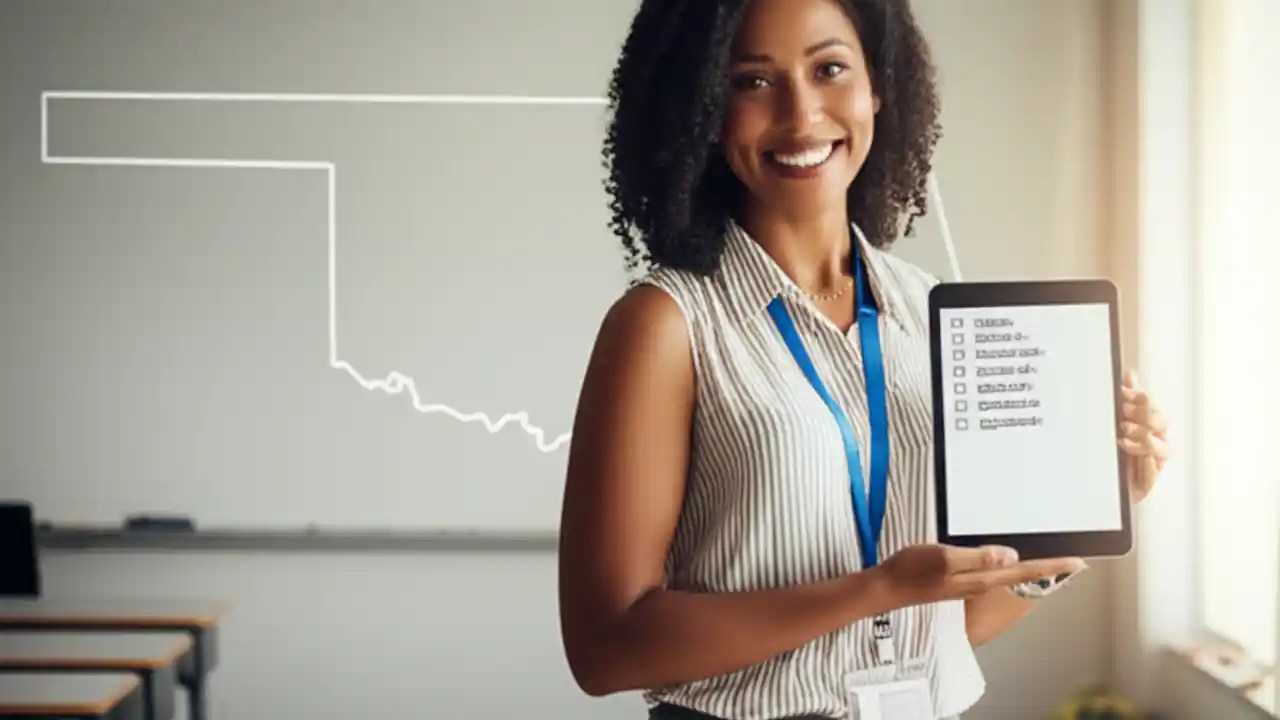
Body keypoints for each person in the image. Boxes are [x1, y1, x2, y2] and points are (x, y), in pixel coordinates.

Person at [557, 0, 1170, 718]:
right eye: (752, 81)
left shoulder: (931, 313)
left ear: (877, 85)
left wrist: (1089, 507)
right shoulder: (666, 325)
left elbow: (946, 626)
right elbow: (605, 649)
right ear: (701, 106)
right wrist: (875, 589)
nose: (801, 114)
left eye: (830, 69)